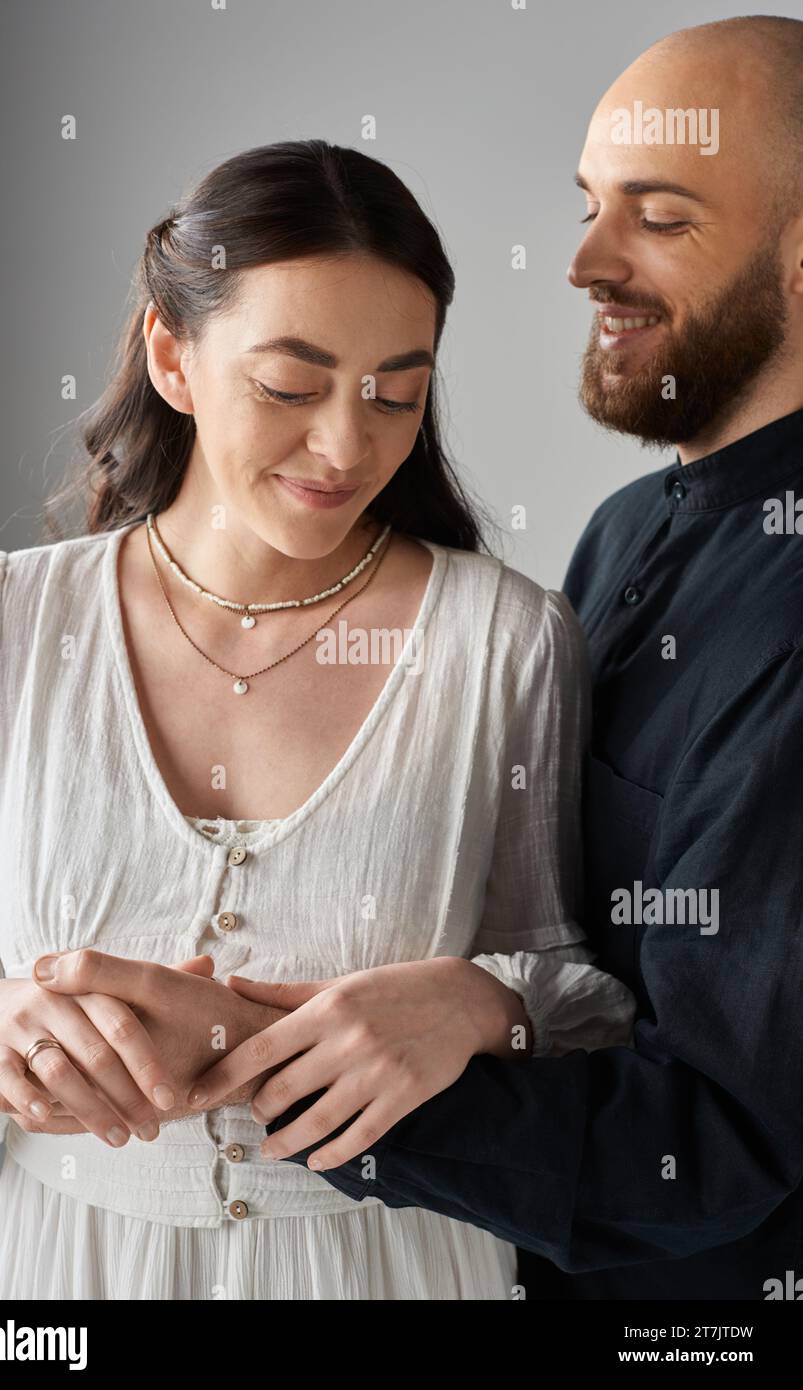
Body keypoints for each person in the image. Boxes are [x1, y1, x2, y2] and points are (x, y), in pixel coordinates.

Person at [0, 140, 634, 1300]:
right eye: (290, 386)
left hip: (399, 1263)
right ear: (173, 354)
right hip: (70, 1275)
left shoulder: (505, 641)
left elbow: (589, 1007)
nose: (346, 445)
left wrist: (481, 1002)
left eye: (394, 394)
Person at [212, 17, 803, 1300]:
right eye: (590, 206)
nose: (588, 259)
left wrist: (255, 1069)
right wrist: (491, 999)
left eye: (660, 214)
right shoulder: (629, 531)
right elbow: (561, 949)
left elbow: (730, 1137)